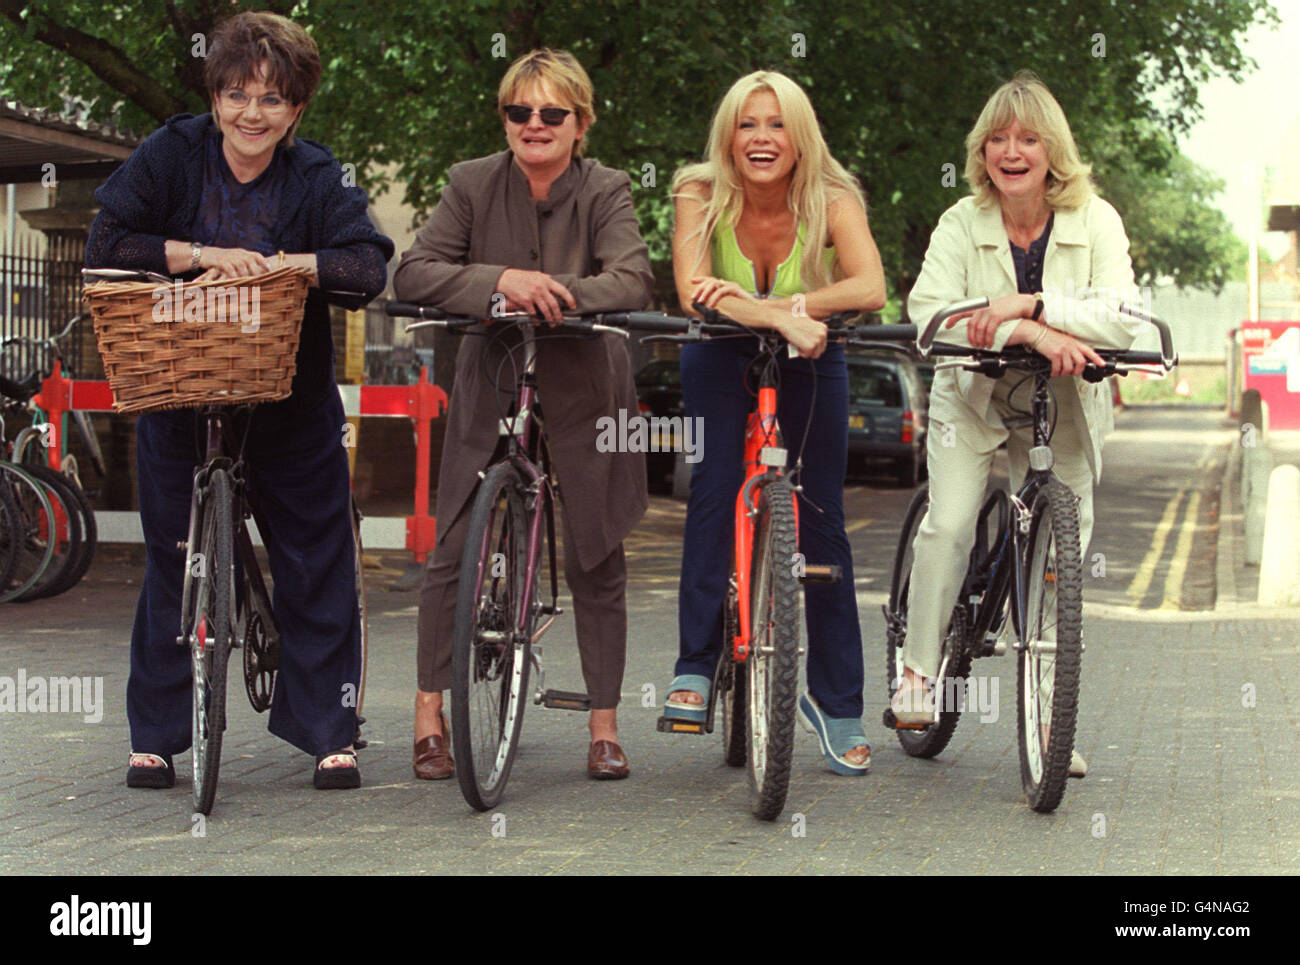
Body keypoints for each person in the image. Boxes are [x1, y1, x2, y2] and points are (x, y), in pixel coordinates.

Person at [85, 11, 393, 790]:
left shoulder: (317, 175)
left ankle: (330, 729)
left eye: (272, 99)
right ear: (215, 97)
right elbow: (107, 241)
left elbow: (365, 268)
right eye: (236, 94)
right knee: (171, 563)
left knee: (314, 562)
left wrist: (286, 265)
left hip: (288, 398)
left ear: (296, 109)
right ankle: (155, 734)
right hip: (177, 391)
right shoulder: (173, 152)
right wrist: (200, 255)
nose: (251, 113)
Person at [393, 48, 653, 781]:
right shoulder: (471, 183)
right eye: (519, 111)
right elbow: (414, 271)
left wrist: (555, 290)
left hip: (583, 382)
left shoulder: (607, 188)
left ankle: (603, 727)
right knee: (449, 547)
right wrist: (500, 279)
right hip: (493, 374)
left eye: (551, 113)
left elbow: (631, 277)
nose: (534, 124)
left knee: (598, 551)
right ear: (504, 119)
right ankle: (428, 715)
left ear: (580, 124)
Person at [892, 72, 1146, 779]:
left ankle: (1046, 717)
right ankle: (917, 674)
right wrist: (1031, 334)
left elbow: (1122, 315)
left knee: (1062, 560)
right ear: (982, 151)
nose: (1011, 151)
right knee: (950, 522)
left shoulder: (1096, 220)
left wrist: (1028, 304)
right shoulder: (958, 222)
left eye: (1027, 138)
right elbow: (930, 316)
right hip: (970, 394)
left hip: (1062, 397)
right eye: (998, 138)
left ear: (1051, 150)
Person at [662, 70, 886, 775]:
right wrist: (768, 314)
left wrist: (800, 314)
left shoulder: (832, 196)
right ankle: (695, 667)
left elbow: (870, 286)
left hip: (812, 355)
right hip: (719, 351)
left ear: (800, 135)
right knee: (716, 486)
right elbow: (693, 290)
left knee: (821, 518)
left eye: (777, 124)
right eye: (748, 124)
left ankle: (835, 701)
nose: (762, 138)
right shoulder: (696, 192)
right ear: (729, 134)